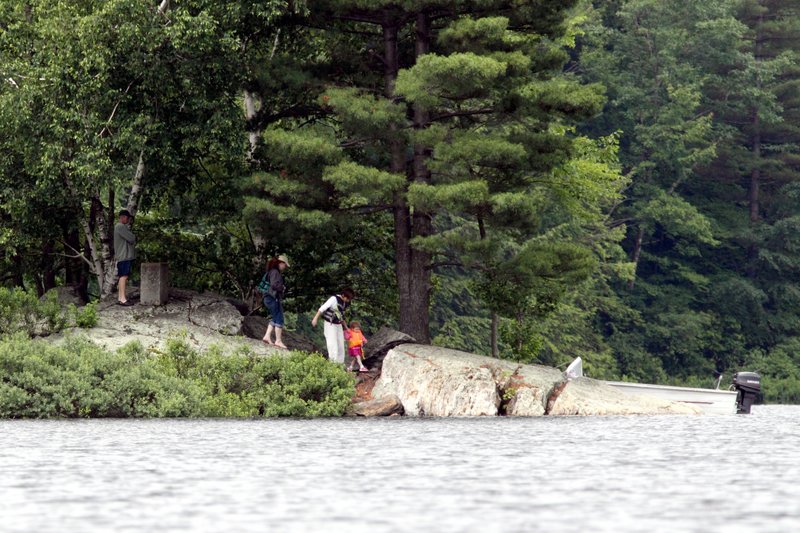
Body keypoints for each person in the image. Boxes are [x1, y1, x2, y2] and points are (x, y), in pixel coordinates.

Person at [311, 288, 355, 364]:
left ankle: (340, 365)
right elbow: (322, 309)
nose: (348, 300)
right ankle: (333, 365)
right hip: (330, 325)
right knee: (333, 345)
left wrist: (346, 328)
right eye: (347, 298)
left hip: (338, 325)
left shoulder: (344, 303)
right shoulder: (334, 299)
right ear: (343, 295)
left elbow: (341, 316)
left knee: (341, 346)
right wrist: (315, 318)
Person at [261, 255, 290, 349]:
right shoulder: (275, 272)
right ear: (280, 263)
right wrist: (282, 288)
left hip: (268, 297)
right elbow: (274, 285)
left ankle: (267, 336)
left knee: (275, 317)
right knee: (279, 318)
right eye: (285, 265)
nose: (285, 267)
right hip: (272, 297)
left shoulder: (271, 271)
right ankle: (278, 341)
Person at [114, 209, 136, 306]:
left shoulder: (120, 227)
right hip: (124, 256)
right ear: (122, 217)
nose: (128, 220)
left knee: (123, 276)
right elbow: (131, 238)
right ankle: (122, 299)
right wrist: (133, 237)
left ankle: (120, 297)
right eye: (127, 218)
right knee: (123, 276)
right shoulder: (120, 227)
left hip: (123, 256)